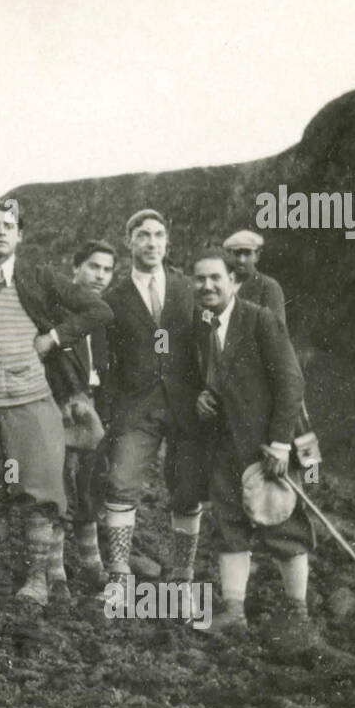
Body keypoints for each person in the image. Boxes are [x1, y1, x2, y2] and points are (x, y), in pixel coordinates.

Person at [0, 200, 113, 605]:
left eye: (9, 225)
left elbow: (98, 310)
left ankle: (37, 579)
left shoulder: (39, 277)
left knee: (38, 489)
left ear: (20, 234)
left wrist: (53, 338)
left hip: (32, 401)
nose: (1, 231)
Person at [190, 248, 315, 643]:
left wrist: (280, 443)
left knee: (282, 521)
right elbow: (214, 376)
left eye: (215, 278)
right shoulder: (202, 324)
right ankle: (233, 614)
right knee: (228, 524)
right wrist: (203, 397)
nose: (207, 285)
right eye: (200, 279)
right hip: (225, 444)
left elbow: (291, 382)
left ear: (232, 281)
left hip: (266, 445)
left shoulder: (260, 320)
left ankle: (298, 613)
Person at [100, 209, 205, 598]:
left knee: (187, 490)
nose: (152, 243)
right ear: (129, 241)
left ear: (167, 241)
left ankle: (183, 572)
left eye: (159, 235)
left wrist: (208, 394)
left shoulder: (187, 289)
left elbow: (206, 346)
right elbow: (106, 360)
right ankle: (119, 572)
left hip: (185, 406)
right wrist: (112, 409)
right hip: (136, 409)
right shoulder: (114, 298)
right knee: (121, 484)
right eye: (143, 235)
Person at [60, 240, 116, 583]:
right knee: (61, 482)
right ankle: (53, 570)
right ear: (76, 267)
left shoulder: (104, 314)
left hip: (94, 405)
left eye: (107, 269)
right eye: (94, 266)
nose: (100, 275)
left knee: (90, 483)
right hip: (65, 406)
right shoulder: (59, 311)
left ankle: (90, 561)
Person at [222, 229, 287, 331]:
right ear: (230, 255)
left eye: (247, 254)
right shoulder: (222, 283)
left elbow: (277, 330)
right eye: (237, 254)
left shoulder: (268, 286)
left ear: (257, 256)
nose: (241, 260)